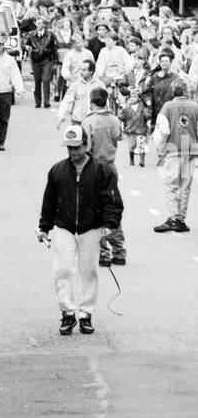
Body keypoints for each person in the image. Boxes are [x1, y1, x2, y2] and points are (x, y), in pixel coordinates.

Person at [37, 124, 124, 336]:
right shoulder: (57, 171)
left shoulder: (102, 170)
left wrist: (109, 225)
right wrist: (44, 228)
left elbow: (113, 201)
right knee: (63, 270)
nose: (73, 152)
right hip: (64, 227)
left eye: (77, 147)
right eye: (69, 148)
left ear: (86, 145)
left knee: (89, 271)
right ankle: (68, 313)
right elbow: (48, 201)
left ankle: (86, 314)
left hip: (91, 228)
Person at [83, 87, 126, 265]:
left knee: (95, 211)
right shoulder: (114, 119)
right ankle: (119, 251)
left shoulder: (89, 122)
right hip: (111, 166)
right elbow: (119, 136)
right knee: (112, 208)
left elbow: (86, 148)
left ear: (91, 101)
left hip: (94, 168)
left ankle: (103, 253)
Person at [151, 93, 198, 233]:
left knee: (171, 185)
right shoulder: (195, 106)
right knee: (185, 186)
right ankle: (181, 219)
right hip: (190, 150)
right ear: (187, 92)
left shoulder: (167, 107)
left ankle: (172, 218)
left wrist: (160, 149)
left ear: (173, 92)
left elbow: (163, 131)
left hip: (174, 150)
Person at [25, 13, 58, 109]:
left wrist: (56, 60)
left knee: (46, 80)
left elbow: (53, 48)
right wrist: (27, 46)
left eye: (42, 23)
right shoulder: (31, 34)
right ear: (35, 23)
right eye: (38, 23)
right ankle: (38, 101)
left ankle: (46, 101)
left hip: (47, 60)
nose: (40, 25)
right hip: (35, 60)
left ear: (44, 24)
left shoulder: (50, 35)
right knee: (37, 81)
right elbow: (25, 43)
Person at [118, 89, 150, 167]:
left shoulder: (142, 106)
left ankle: (142, 161)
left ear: (139, 98)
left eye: (135, 96)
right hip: (131, 129)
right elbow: (121, 116)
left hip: (141, 128)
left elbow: (147, 115)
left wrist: (147, 114)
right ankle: (131, 159)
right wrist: (121, 116)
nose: (133, 98)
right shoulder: (126, 108)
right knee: (132, 145)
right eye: (132, 96)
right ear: (129, 97)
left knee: (141, 144)